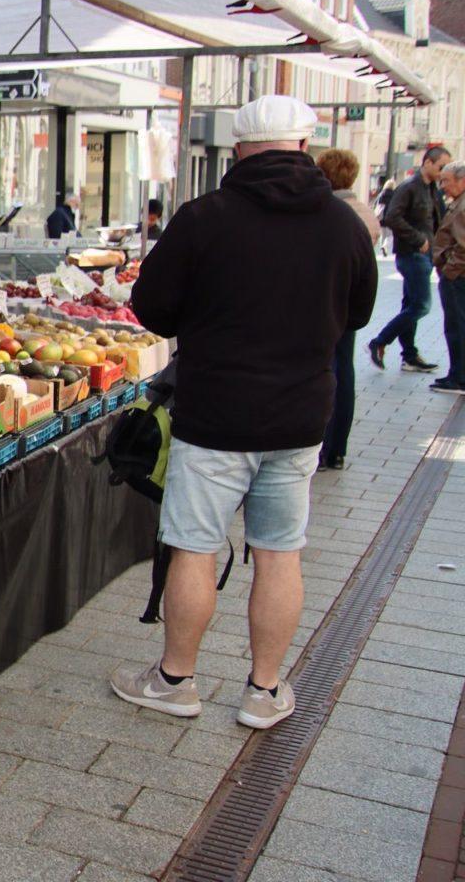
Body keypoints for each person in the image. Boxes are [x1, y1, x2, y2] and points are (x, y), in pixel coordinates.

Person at [111, 96, 377, 731]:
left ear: (238, 151)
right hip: (299, 417)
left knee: (195, 548)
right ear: (306, 146)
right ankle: (264, 690)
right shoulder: (343, 226)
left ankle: (176, 680)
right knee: (281, 551)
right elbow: (359, 314)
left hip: (215, 416)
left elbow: (151, 309)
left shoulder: (206, 217)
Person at [315, 149, 382, 469]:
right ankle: (337, 447)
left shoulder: (329, 213)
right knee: (345, 371)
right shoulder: (364, 212)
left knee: (324, 372)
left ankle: (321, 441)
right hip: (347, 306)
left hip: (324, 306)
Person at [370, 146, 452, 373]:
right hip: (412, 254)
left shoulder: (432, 189)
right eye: (441, 166)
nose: (443, 171)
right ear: (427, 163)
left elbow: (438, 221)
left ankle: (409, 355)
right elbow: (391, 217)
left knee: (411, 304)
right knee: (421, 306)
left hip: (423, 254)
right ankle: (380, 340)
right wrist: (418, 240)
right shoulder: (409, 188)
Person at [430, 160, 465, 394]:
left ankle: (459, 377)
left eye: (447, 181)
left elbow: (463, 247)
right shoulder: (458, 203)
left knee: (456, 326)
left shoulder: (462, 207)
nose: (443, 186)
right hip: (456, 275)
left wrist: (449, 272)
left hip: (457, 277)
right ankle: (457, 374)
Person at [374, 177, 396, 256]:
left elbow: (375, 206)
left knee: (382, 235)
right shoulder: (394, 195)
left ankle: (383, 248)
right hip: (390, 218)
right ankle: (385, 246)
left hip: (381, 217)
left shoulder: (380, 195)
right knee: (390, 235)